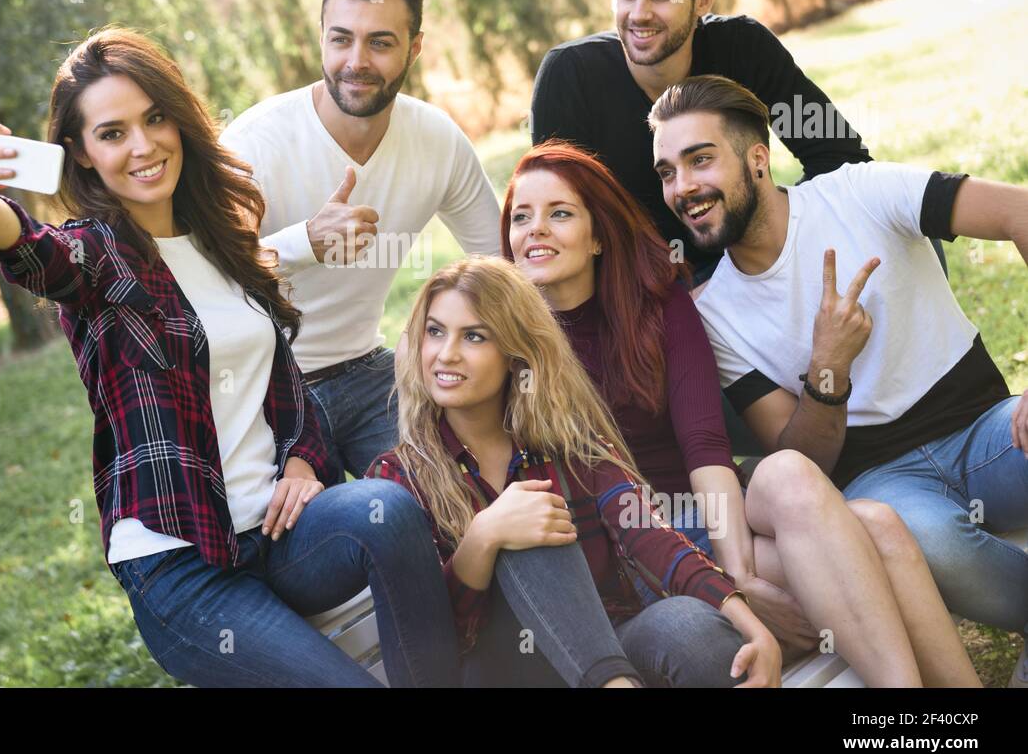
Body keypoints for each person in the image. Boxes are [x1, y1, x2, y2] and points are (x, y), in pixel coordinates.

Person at [0, 27, 460, 687]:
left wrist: (303, 458)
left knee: (389, 512)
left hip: (278, 533)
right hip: (184, 570)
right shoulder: (97, 257)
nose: (142, 145)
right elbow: (33, 251)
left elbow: (280, 379)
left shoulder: (222, 239)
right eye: (112, 133)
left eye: (154, 118)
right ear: (81, 154)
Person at [502, 140, 981, 686]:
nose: (536, 228)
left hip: (712, 521)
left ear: (597, 237)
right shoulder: (502, 340)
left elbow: (704, 443)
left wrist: (737, 574)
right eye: (521, 217)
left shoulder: (654, 304)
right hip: (634, 551)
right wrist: (728, 587)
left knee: (836, 502)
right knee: (871, 536)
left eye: (559, 213)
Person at [650, 73, 1028, 687]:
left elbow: (1019, 211)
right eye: (667, 171)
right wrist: (828, 369)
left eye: (699, 160)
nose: (683, 187)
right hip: (884, 483)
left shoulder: (859, 192)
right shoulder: (711, 311)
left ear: (757, 159)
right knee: (928, 539)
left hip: (988, 432)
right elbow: (802, 461)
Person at [366, 255, 782, 687]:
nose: (446, 354)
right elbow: (426, 637)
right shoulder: (399, 478)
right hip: (504, 673)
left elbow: (653, 538)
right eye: (435, 332)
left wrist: (749, 622)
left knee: (692, 630)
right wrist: (483, 538)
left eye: (474, 336)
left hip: (609, 645)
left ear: (516, 354)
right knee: (525, 522)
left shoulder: (569, 446)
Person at [222, 0, 500, 480]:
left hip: (371, 375)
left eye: (380, 42)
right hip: (267, 389)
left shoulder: (436, 140)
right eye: (341, 38)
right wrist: (305, 241)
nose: (356, 60)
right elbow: (200, 282)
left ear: (414, 48)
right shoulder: (253, 144)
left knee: (459, 490)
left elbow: (503, 266)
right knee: (336, 536)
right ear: (321, 38)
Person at [529, 0, 871, 278]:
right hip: (646, 297)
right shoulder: (570, 77)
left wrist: (773, 246)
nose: (639, 14)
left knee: (891, 223)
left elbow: (840, 159)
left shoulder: (744, 48)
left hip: (755, 269)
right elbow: (559, 225)